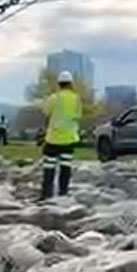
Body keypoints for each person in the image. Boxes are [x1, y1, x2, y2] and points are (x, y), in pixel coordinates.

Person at [41, 71, 82, 199]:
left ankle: (46, 196)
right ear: (71, 83)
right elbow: (78, 116)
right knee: (65, 169)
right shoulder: (76, 99)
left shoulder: (54, 98)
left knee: (49, 168)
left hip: (53, 139)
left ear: (59, 83)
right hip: (69, 140)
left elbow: (46, 112)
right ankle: (63, 194)